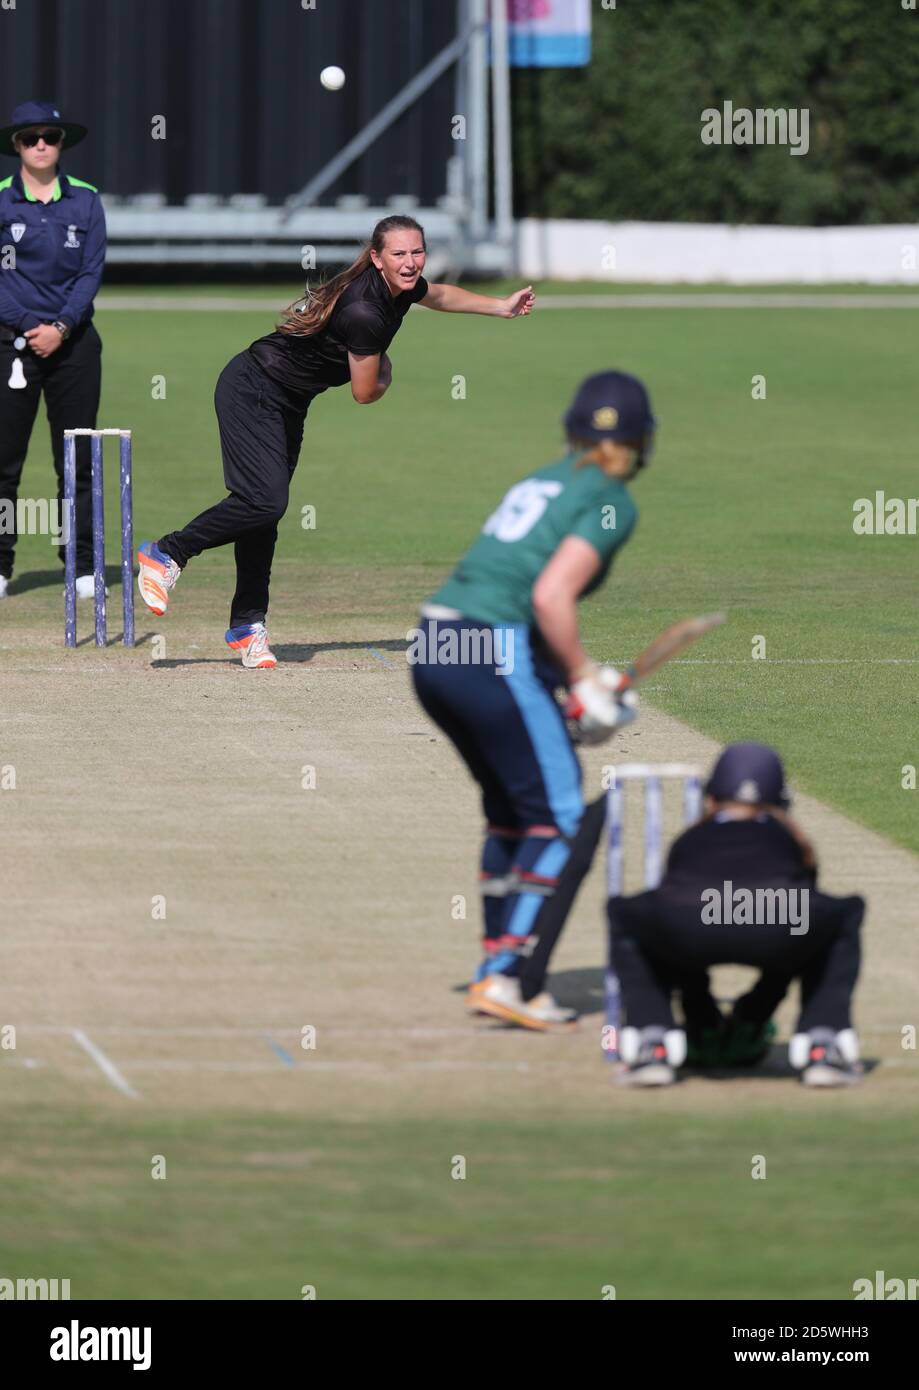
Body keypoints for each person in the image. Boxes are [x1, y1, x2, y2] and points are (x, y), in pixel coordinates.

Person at [137, 215, 536, 668]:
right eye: (399, 254)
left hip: (288, 400)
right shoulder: (366, 312)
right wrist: (386, 373)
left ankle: (248, 626)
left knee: (261, 513)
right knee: (264, 503)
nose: (410, 263)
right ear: (376, 258)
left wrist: (501, 306)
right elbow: (365, 393)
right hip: (253, 389)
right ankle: (168, 551)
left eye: (417, 252)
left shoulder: (399, 287)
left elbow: (439, 293)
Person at [411, 371, 656, 1030]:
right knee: (562, 819)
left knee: (513, 817)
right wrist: (580, 679)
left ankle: (496, 964)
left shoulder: (541, 479)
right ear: (641, 440)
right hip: (491, 652)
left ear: (573, 430)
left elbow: (510, 587)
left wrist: (561, 687)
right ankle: (506, 977)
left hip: (434, 646)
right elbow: (548, 596)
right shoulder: (609, 501)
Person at [608, 742, 865, 1088]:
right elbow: (801, 935)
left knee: (630, 915)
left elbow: (676, 927)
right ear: (780, 799)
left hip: (689, 923)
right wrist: (758, 1009)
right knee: (841, 917)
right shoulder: (792, 837)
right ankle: (824, 1042)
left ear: (712, 795)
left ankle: (651, 1041)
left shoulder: (691, 837)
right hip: (778, 922)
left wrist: (700, 1012)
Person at [0, 101, 105, 602]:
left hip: (74, 346)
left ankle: (82, 563)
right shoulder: (0, 200)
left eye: (50, 135)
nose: (40, 144)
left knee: (77, 458)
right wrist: (29, 325)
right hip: (11, 344)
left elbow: (91, 272)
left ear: (61, 142)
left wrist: (61, 326)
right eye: (29, 137)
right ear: (16, 145)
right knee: (4, 461)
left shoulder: (85, 200)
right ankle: (0, 564)